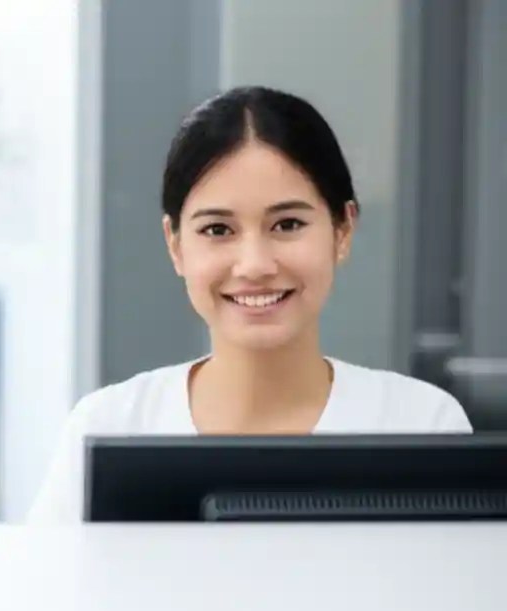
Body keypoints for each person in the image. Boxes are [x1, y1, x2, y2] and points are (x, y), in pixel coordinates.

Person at [28, 86, 472, 524]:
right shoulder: (110, 427)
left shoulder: (421, 426)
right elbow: (46, 591)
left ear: (343, 231)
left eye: (288, 224)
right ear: (175, 245)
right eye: (218, 230)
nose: (255, 265)